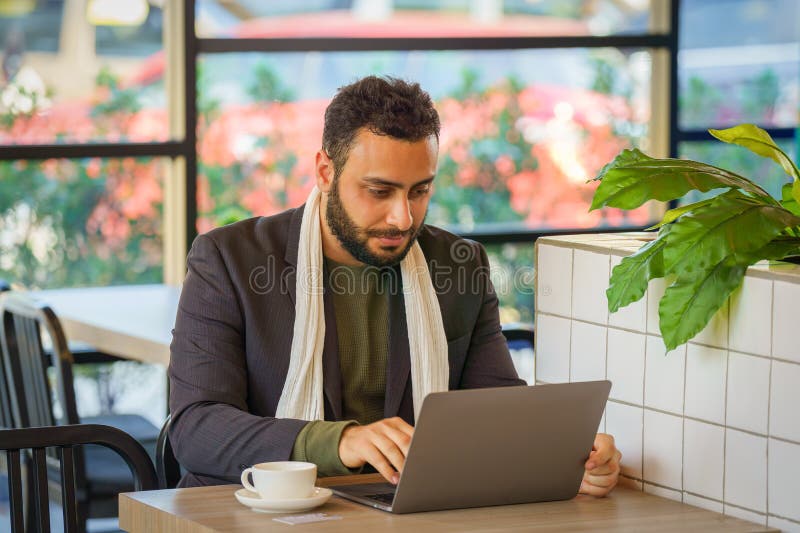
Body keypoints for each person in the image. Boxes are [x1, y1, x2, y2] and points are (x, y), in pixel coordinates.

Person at [169, 76, 621, 496]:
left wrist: (562, 453)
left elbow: (496, 410)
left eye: (419, 191)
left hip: (401, 511)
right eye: (380, 191)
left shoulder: (459, 266)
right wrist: (340, 442)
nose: (403, 218)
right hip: (250, 513)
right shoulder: (227, 260)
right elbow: (195, 429)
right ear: (326, 172)